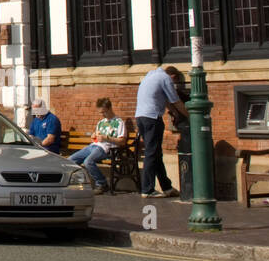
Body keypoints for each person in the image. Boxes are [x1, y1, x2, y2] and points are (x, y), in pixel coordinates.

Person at [136, 65, 189, 198]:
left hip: (140, 117)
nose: (174, 85)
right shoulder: (165, 78)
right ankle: (147, 189)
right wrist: (190, 116)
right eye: (175, 83)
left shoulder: (150, 76)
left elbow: (166, 101)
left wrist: (175, 113)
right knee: (151, 153)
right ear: (173, 76)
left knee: (155, 153)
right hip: (152, 118)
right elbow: (175, 100)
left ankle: (167, 187)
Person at [68, 97, 124, 194]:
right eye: (100, 113)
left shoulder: (119, 122)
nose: (102, 115)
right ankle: (77, 182)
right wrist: (93, 136)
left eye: (104, 112)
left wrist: (107, 138)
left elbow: (122, 141)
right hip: (93, 146)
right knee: (70, 160)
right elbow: (96, 137)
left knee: (88, 162)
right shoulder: (101, 122)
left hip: (106, 148)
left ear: (110, 108)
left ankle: (102, 183)